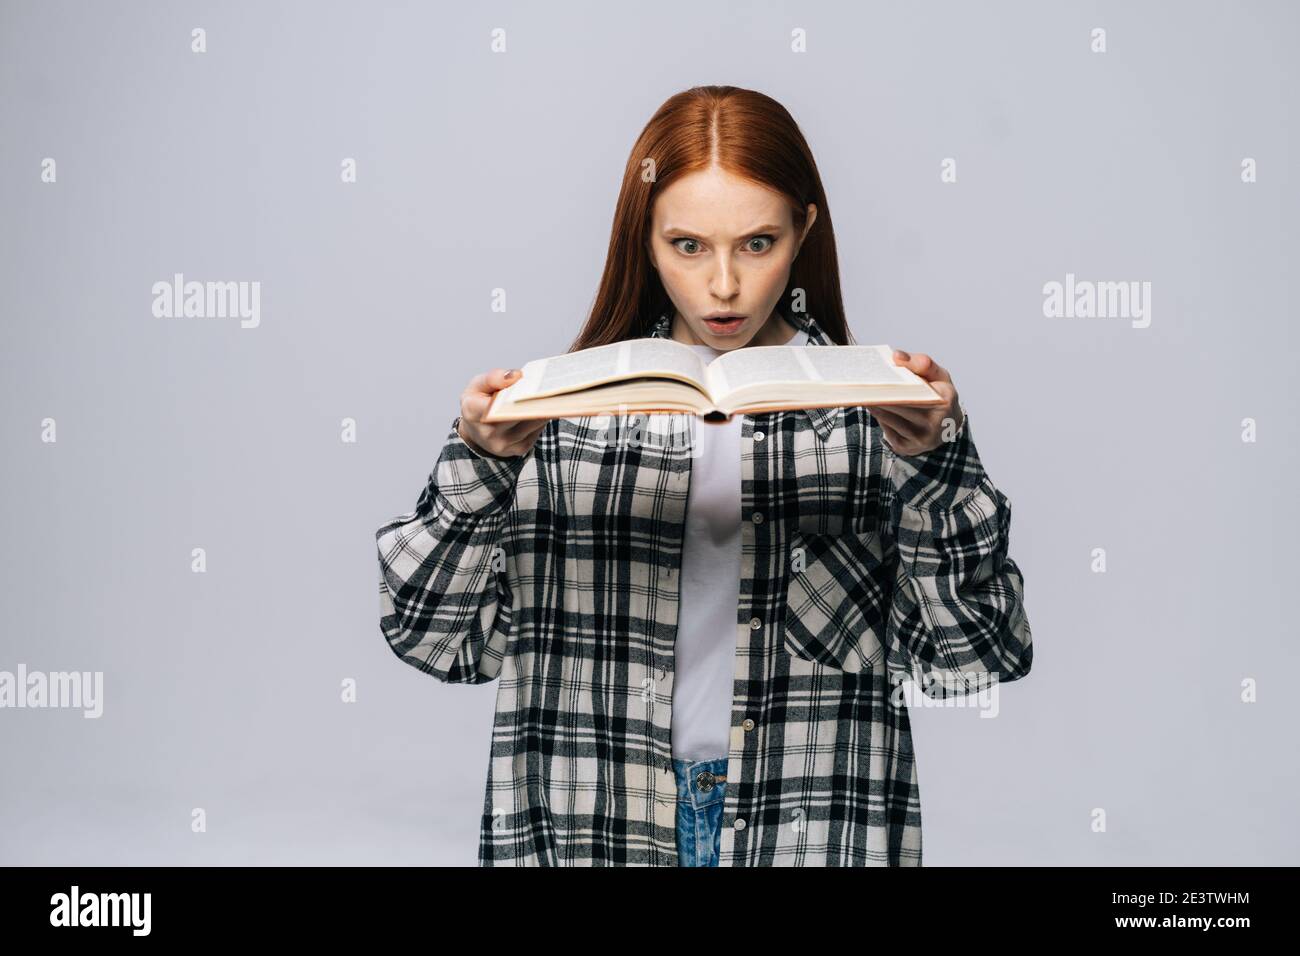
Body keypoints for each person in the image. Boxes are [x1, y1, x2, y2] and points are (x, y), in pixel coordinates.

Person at [375, 85, 1033, 866]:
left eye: (757, 243)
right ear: (644, 241)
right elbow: (435, 641)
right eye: (688, 245)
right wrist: (479, 463)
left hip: (810, 827)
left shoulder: (876, 416)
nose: (724, 286)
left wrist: (935, 465)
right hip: (598, 822)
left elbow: (971, 662)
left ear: (803, 231)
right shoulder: (559, 417)